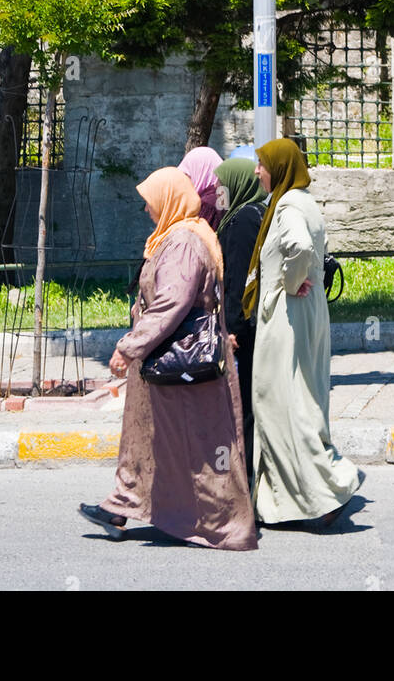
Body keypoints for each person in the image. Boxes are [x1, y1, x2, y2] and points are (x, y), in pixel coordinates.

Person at [79, 166, 257, 551]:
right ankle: (122, 505)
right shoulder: (179, 236)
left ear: (169, 200)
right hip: (168, 362)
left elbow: (170, 304)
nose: (146, 210)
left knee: (199, 445)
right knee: (152, 439)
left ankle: (224, 524)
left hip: (181, 363)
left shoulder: (183, 243)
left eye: (150, 202)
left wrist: (129, 347)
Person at [245, 138, 360, 529]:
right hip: (307, 313)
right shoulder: (306, 201)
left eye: (262, 165)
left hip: (288, 317)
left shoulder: (289, 205)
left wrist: (291, 283)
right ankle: (299, 497)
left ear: (278, 167)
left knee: (280, 404)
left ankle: (325, 493)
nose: (257, 171)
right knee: (303, 403)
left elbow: (298, 245)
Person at [214, 156, 267, 480]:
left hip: (245, 330)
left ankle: (246, 487)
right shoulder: (253, 212)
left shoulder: (244, 219)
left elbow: (239, 279)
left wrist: (232, 327)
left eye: (223, 187)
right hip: (255, 326)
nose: (219, 193)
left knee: (245, 408)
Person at [178, 145, 226, 229]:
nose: (185, 180)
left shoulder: (208, 204)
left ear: (200, 172)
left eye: (188, 174)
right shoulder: (221, 195)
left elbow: (195, 237)